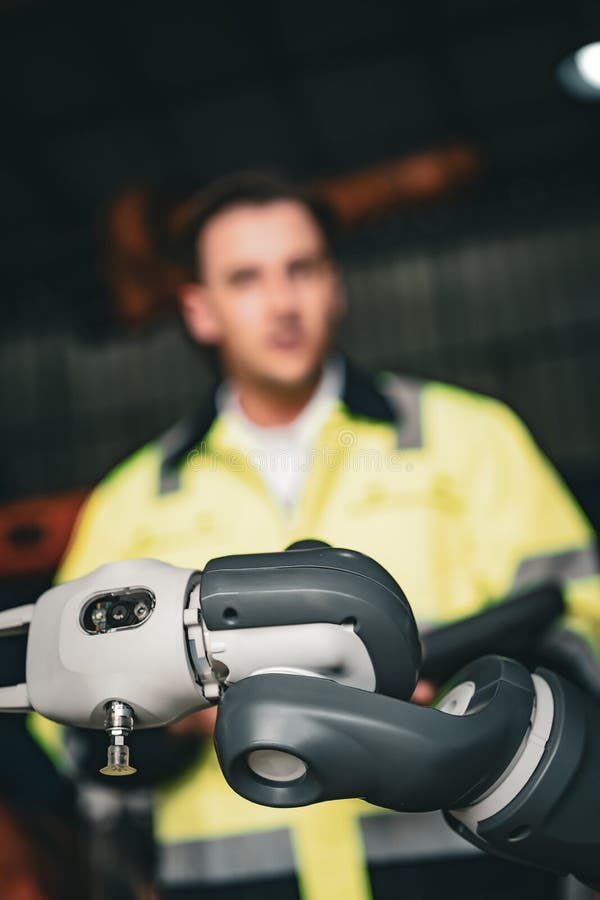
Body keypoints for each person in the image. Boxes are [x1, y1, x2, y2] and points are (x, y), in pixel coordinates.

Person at [55, 171, 600, 900]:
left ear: (335, 284)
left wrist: (461, 694)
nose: (282, 303)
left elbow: (583, 629)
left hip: (464, 876)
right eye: (245, 278)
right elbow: (72, 725)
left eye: (301, 269)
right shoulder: (128, 505)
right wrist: (179, 714)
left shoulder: (469, 440)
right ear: (199, 309)